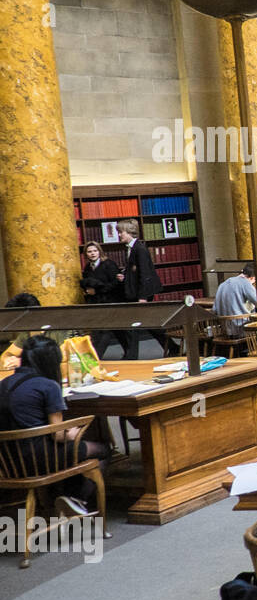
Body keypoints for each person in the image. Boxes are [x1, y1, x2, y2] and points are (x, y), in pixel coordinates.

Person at [0, 335, 109, 517]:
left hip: (8, 461)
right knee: (102, 449)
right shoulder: (48, 386)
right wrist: (72, 433)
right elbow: (58, 435)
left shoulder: (4, 384)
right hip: (38, 459)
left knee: (71, 451)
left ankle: (62, 497)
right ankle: (75, 498)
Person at [115, 218, 172, 358]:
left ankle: (132, 356)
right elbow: (135, 272)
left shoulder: (139, 249)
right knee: (148, 323)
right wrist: (125, 276)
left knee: (134, 325)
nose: (119, 235)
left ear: (129, 232)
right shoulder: (131, 248)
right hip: (137, 292)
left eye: (121, 232)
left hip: (141, 294)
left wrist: (143, 297)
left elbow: (145, 274)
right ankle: (172, 346)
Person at [80, 242, 127, 359]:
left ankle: (96, 357)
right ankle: (130, 353)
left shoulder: (109, 264)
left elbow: (115, 284)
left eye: (95, 251)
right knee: (116, 331)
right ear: (86, 254)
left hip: (111, 301)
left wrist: (98, 291)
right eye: (89, 252)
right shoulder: (87, 267)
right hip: (97, 303)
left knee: (106, 330)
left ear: (99, 251)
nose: (92, 254)